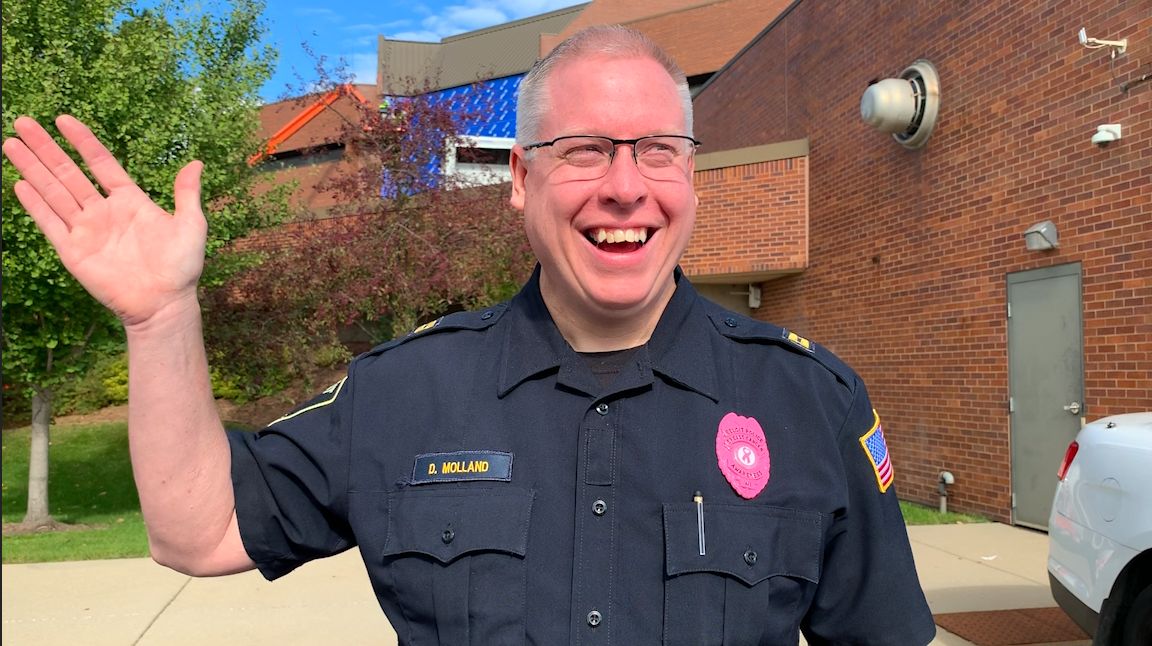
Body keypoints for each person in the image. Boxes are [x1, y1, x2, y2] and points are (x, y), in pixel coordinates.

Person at [3, 24, 936, 645]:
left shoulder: (809, 401)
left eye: (658, 149)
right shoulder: (406, 391)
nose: (626, 185)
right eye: (584, 150)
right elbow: (196, 528)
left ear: (690, 180)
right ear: (521, 181)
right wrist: (161, 317)